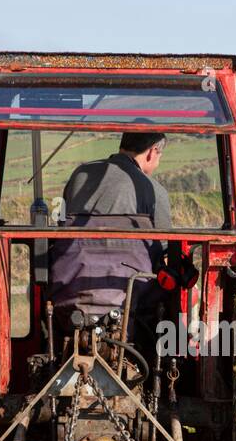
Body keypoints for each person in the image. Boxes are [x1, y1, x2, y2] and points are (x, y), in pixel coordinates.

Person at [48, 131, 172, 340]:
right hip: (132, 301)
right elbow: (164, 251)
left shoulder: (80, 175)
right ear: (152, 152)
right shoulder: (153, 190)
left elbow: (61, 229)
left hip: (67, 297)